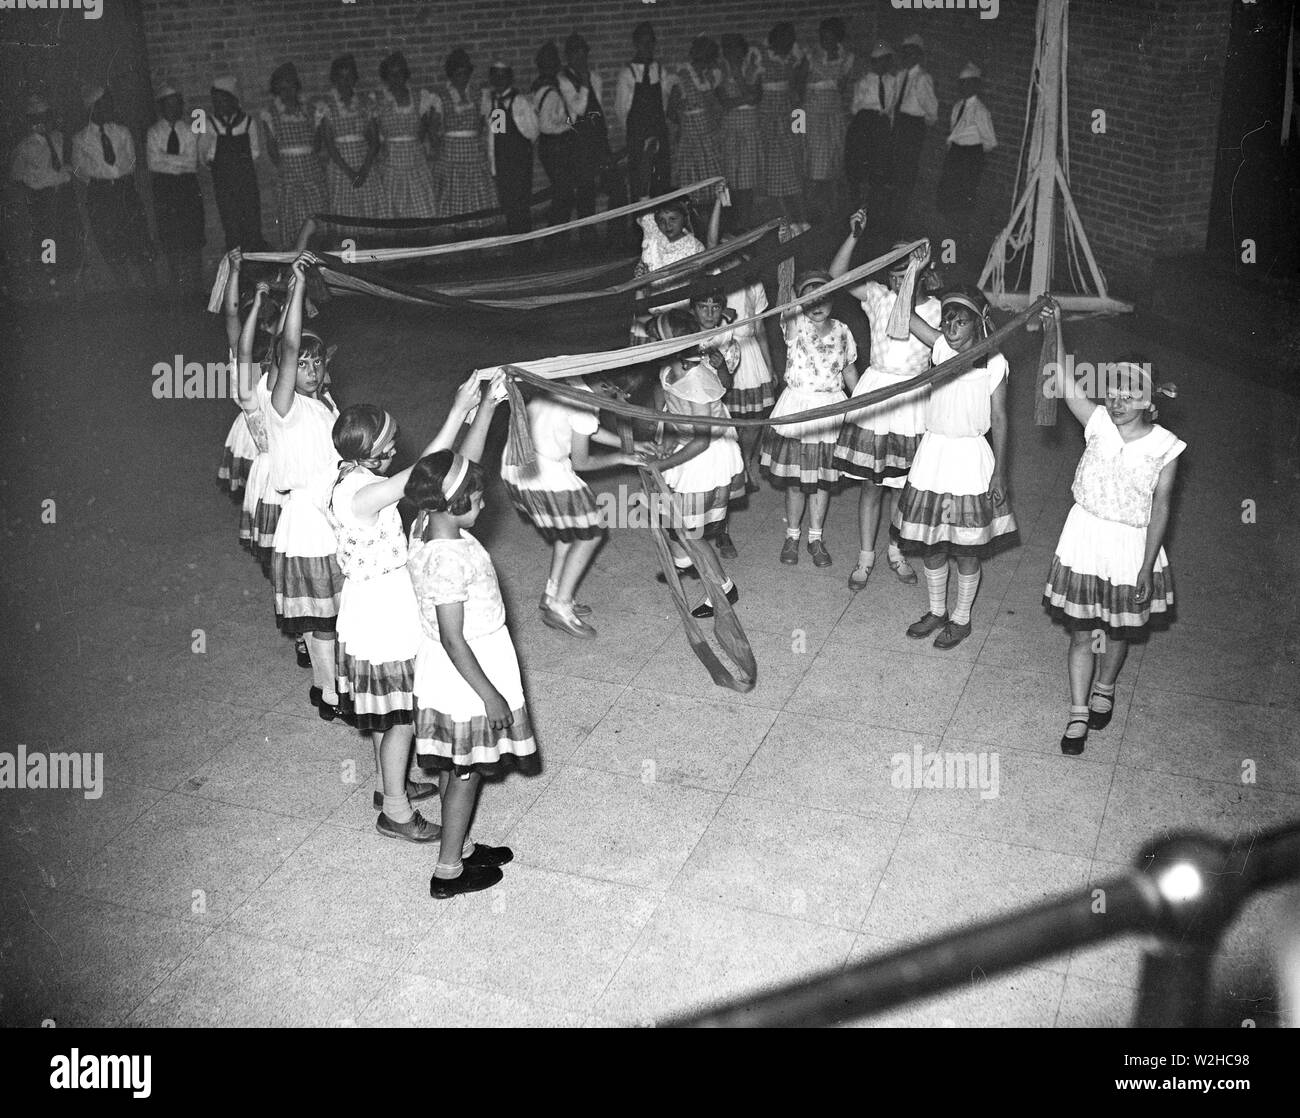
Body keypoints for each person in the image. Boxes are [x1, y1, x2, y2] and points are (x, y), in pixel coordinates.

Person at [328, 376, 498, 839]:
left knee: (388, 716)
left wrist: (472, 411)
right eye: (391, 442)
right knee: (401, 719)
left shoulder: (356, 478)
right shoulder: (358, 496)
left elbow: (425, 473)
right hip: (381, 617)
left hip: (377, 608)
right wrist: (459, 410)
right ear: (374, 450)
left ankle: (390, 786)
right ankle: (396, 813)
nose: (396, 448)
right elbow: (422, 472)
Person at [1041, 309, 1184, 755]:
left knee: (1117, 630)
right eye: (1113, 392)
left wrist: (1146, 565)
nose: (1118, 402)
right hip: (1085, 537)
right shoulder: (1098, 422)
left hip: (1129, 545)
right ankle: (1078, 711)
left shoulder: (1165, 447)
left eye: (1130, 394)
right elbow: (1063, 376)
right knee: (1083, 632)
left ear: (1149, 402)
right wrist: (1055, 324)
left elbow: (1161, 507)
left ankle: (1105, 685)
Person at [406, 445, 539, 899]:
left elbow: (452, 462)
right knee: (466, 773)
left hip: (450, 671)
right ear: (454, 502)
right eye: (478, 498)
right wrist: (491, 695)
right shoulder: (448, 559)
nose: (484, 505)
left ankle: (457, 843)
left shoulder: (425, 524)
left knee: (451, 763)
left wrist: (482, 410)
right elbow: (452, 638)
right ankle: (448, 872)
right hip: (466, 675)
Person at [894, 282, 1016, 650]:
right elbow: (904, 316)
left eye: (960, 322)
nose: (950, 328)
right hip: (934, 455)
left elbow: (1000, 418)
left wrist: (1000, 472)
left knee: (965, 546)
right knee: (932, 541)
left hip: (968, 459)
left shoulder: (993, 361)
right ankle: (936, 610)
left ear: (978, 323)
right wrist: (914, 271)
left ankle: (961, 617)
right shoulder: (940, 347)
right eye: (946, 320)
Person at [830, 215, 940, 590]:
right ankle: (865, 557)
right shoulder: (877, 296)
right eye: (892, 270)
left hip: (912, 400)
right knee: (871, 484)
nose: (897, 278)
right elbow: (837, 276)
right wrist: (853, 235)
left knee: (903, 486)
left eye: (905, 269)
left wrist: (918, 269)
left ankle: (896, 550)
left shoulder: (936, 310)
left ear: (922, 271)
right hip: (876, 394)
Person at [266, 251, 349, 719]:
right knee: (323, 618)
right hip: (307, 524)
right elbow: (289, 344)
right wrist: (296, 287)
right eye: (302, 364)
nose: (311, 370)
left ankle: (332, 683)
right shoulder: (285, 409)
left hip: (332, 515)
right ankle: (327, 691)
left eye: (316, 362)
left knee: (336, 611)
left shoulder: (325, 403)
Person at [501, 374, 646, 638]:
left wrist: (632, 445)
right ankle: (560, 606)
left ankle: (552, 592)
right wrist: (622, 457)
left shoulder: (568, 380)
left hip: (517, 463)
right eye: (617, 394)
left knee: (568, 531)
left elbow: (587, 430)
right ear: (605, 386)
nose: (617, 401)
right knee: (591, 532)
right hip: (544, 473)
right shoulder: (584, 406)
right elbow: (582, 462)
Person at [760, 270, 858, 567]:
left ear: (833, 299)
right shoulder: (796, 324)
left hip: (829, 410)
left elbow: (848, 369)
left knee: (821, 481)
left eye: (823, 298)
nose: (817, 305)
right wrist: (787, 272)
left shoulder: (842, 330)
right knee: (796, 481)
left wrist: (861, 402)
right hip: (798, 408)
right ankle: (792, 535)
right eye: (810, 298)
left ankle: (816, 538)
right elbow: (787, 299)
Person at [645, 347, 745, 618]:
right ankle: (684, 560)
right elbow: (671, 411)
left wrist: (662, 464)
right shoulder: (668, 371)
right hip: (686, 447)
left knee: (690, 530)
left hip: (707, 456)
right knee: (672, 514)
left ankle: (724, 588)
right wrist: (667, 443)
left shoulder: (699, 384)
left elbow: (702, 441)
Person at [72, 86, 155, 287]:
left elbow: (132, 160)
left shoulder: (121, 132)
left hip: (125, 191)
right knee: (112, 247)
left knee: (140, 242)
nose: (109, 107)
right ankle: (126, 292)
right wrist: (100, 179)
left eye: (109, 103)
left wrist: (120, 178)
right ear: (92, 108)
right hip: (101, 196)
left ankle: (152, 291)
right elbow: (79, 170)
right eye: (103, 104)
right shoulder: (80, 139)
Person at [9, 95, 83, 289]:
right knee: (47, 238)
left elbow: (69, 162)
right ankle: (50, 278)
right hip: (43, 198)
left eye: (45, 117)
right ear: (30, 122)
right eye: (37, 119)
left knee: (68, 236)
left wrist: (68, 173)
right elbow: (17, 176)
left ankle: (71, 282)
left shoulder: (58, 138)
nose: (42, 123)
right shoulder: (25, 147)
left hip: (64, 195)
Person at [146, 80, 205, 300]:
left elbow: (192, 163)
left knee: (193, 238)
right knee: (171, 239)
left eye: (177, 104)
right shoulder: (153, 133)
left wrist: (166, 159)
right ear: (161, 107)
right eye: (169, 104)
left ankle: (196, 290)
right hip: (165, 190)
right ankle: (178, 292)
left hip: (188, 188)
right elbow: (153, 164)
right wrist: (178, 161)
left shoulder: (189, 130)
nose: (174, 108)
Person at [428, 48, 498, 231]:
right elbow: (433, 129)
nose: (462, 78)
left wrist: (487, 140)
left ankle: (478, 237)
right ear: (450, 75)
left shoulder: (480, 94)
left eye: (465, 73)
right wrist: (439, 151)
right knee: (454, 201)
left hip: (474, 155)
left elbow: (491, 122)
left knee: (476, 199)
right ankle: (460, 237)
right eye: (457, 74)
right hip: (451, 157)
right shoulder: (441, 97)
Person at [261, 62, 328, 249]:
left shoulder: (311, 111)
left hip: (311, 173)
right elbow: (272, 149)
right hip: (289, 175)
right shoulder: (271, 115)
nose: (287, 93)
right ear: (276, 91)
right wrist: (286, 170)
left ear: (296, 87)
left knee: (315, 218)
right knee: (294, 222)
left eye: (290, 87)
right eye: (282, 89)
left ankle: (318, 257)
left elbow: (317, 145)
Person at [202, 75, 268, 252]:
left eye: (223, 100)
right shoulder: (210, 124)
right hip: (225, 184)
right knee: (232, 227)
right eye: (215, 101)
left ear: (233, 100)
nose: (218, 105)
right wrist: (217, 162)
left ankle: (254, 264)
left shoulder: (247, 122)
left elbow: (255, 151)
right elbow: (204, 154)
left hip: (246, 182)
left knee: (252, 225)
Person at [317, 54, 386, 221]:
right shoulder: (327, 108)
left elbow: (374, 142)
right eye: (341, 77)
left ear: (355, 78)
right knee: (345, 212)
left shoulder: (366, 104)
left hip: (365, 165)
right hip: (341, 169)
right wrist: (350, 173)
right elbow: (330, 146)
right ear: (334, 79)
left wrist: (364, 170)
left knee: (369, 209)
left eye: (349, 77)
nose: (345, 82)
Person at [561, 33, 613, 243]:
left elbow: (596, 108)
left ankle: (615, 235)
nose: (581, 60)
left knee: (614, 184)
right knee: (585, 191)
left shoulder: (596, 78)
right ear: (568, 57)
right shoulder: (564, 80)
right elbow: (579, 109)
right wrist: (583, 83)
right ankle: (587, 238)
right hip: (579, 142)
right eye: (576, 55)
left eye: (583, 55)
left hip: (597, 139)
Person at [936, 62, 997, 243]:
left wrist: (973, 154)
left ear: (976, 85)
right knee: (948, 195)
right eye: (961, 83)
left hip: (970, 157)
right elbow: (953, 131)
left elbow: (990, 141)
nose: (963, 87)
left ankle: (957, 240)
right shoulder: (957, 106)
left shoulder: (980, 110)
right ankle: (947, 239)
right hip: (955, 154)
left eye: (967, 83)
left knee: (963, 199)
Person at [803, 17, 854, 221]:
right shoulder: (811, 56)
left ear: (838, 38)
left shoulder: (846, 59)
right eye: (822, 37)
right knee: (814, 166)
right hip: (813, 118)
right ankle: (811, 212)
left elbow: (843, 89)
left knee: (833, 165)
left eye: (830, 38)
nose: (825, 42)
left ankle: (830, 213)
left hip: (833, 118)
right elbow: (799, 87)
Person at [376, 51, 437, 220]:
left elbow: (423, 131)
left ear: (406, 74)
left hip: (415, 163)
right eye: (391, 74)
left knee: (421, 213)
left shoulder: (420, 98)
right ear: (386, 77)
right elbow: (376, 134)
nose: (396, 78)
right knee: (394, 214)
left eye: (400, 73)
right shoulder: (379, 101)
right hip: (391, 165)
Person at [755, 22, 807, 222]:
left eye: (789, 42)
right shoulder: (760, 57)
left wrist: (799, 127)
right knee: (772, 169)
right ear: (773, 40)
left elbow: (796, 94)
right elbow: (756, 92)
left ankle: (800, 216)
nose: (786, 46)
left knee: (793, 165)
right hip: (768, 121)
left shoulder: (794, 58)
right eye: (782, 42)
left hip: (789, 118)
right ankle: (785, 218)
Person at [616, 21, 672, 201]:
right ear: (636, 44)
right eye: (643, 42)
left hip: (658, 134)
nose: (647, 47)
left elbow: (664, 103)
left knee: (661, 183)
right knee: (640, 186)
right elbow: (621, 110)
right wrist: (635, 132)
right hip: (638, 137)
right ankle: (640, 219)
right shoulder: (627, 74)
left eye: (650, 42)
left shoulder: (660, 71)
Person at [484, 62, 539, 240]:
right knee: (509, 208)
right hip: (504, 167)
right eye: (495, 77)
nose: (499, 81)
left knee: (522, 208)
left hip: (520, 165)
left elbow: (533, 132)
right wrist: (494, 168)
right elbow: (495, 138)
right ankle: (516, 246)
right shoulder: (497, 105)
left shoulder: (520, 102)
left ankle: (525, 247)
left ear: (510, 78)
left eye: (503, 76)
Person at [669, 36, 724, 208]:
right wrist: (685, 120)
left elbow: (715, 106)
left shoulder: (708, 77)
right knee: (694, 191)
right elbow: (670, 112)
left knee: (714, 190)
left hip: (710, 142)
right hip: (692, 145)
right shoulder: (682, 79)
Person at [889, 34, 937, 228]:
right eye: (904, 54)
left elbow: (931, 109)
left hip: (912, 127)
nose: (907, 58)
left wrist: (919, 126)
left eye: (911, 54)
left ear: (919, 56)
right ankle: (890, 214)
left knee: (906, 171)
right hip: (899, 124)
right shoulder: (900, 75)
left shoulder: (923, 78)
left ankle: (900, 218)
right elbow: (894, 103)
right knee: (894, 169)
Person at [533, 41, 580, 235]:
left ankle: (558, 237)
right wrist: (569, 125)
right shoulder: (549, 92)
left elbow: (560, 117)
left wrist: (569, 120)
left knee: (564, 194)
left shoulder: (550, 88)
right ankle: (554, 238)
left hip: (556, 146)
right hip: (554, 146)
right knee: (564, 194)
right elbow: (546, 125)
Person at [716, 34, 762, 233]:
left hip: (749, 129)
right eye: (728, 49)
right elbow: (724, 102)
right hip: (730, 130)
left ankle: (745, 222)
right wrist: (745, 97)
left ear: (743, 51)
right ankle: (733, 223)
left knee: (747, 179)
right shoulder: (719, 71)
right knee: (731, 178)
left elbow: (756, 97)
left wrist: (739, 77)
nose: (732, 54)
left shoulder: (752, 69)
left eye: (736, 49)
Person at [846, 42, 895, 210]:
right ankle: (857, 204)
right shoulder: (863, 82)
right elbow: (855, 108)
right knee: (860, 164)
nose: (883, 66)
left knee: (879, 166)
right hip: (865, 124)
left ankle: (875, 206)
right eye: (879, 62)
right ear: (873, 63)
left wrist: (888, 126)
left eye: (886, 62)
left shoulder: (892, 82)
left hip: (882, 125)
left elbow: (892, 108)